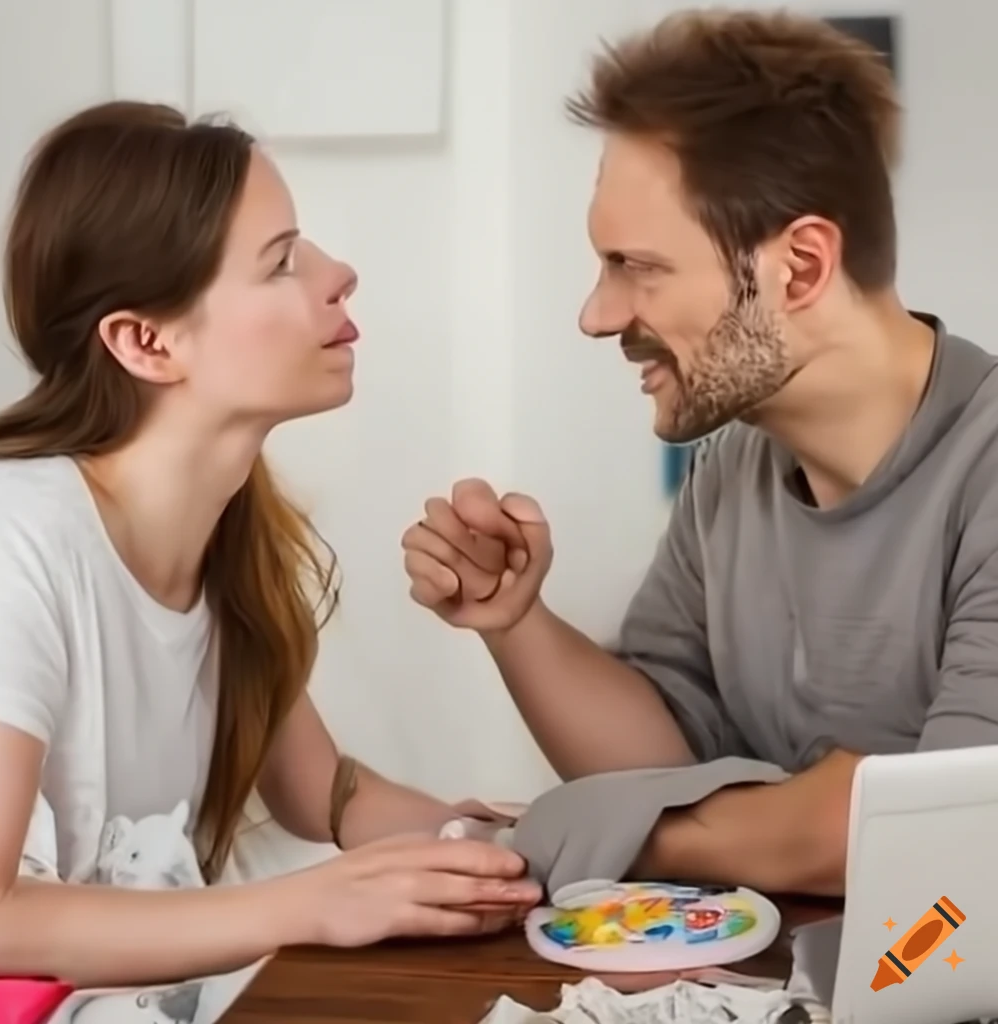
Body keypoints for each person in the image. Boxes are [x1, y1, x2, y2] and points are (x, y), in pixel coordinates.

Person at [402, 8, 998, 898]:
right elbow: (660, 755)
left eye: (636, 266)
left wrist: (590, 835)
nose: (596, 315)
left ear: (799, 268)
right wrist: (516, 621)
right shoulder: (731, 473)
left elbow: (949, 838)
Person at [0, 101, 539, 990]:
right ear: (145, 341)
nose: (339, 274)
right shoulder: (8, 537)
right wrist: (313, 903)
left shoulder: (227, 533)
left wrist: (494, 848)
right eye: (281, 262)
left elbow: (323, 790)